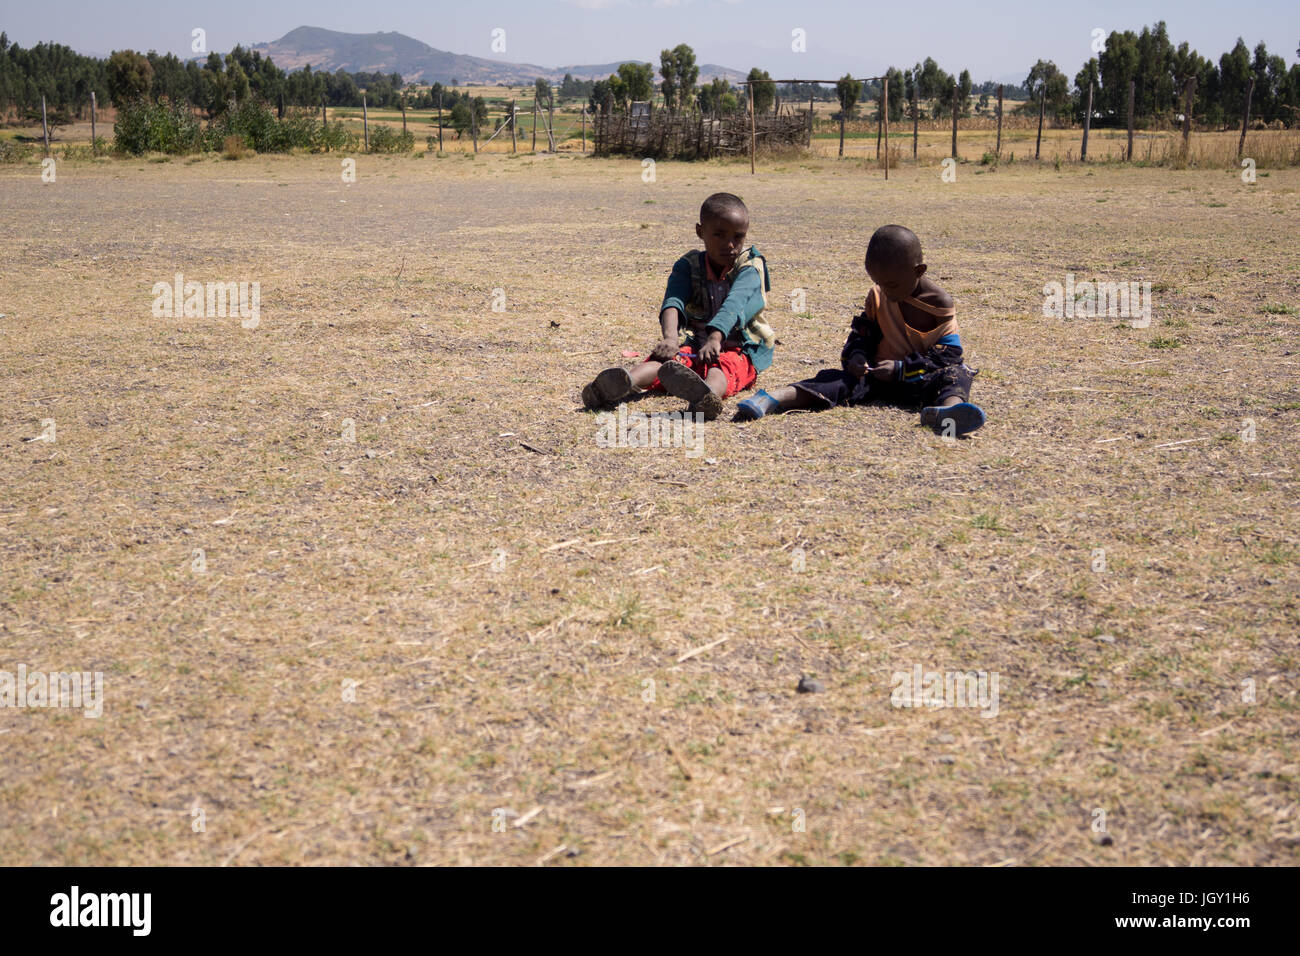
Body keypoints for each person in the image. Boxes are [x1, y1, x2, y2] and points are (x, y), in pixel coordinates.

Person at [734, 224, 985, 436]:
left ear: (918, 271)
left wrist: (900, 370)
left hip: (919, 381)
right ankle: (772, 398)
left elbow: (947, 355)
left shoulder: (939, 304)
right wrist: (856, 356)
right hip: (875, 378)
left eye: (892, 284)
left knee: (956, 373)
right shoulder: (878, 296)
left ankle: (949, 411)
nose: (885, 291)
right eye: (878, 283)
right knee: (833, 381)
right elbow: (862, 335)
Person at [581, 192, 775, 422]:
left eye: (738, 236)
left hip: (740, 348)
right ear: (700, 232)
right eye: (719, 235)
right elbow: (674, 301)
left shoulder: (751, 267)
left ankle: (707, 398)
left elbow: (735, 303)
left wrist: (715, 339)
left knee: (720, 368)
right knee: (665, 363)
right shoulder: (689, 265)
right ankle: (620, 384)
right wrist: (671, 340)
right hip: (698, 346)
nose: (730, 244)